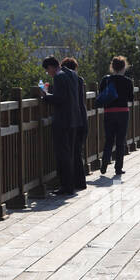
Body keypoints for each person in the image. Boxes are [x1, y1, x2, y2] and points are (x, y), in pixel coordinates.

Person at [41, 56, 81, 195]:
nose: (48, 73)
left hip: (62, 120)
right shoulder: (72, 74)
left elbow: (60, 99)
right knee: (70, 153)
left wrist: (45, 95)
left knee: (62, 154)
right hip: (74, 119)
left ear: (51, 67)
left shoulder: (59, 77)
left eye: (47, 71)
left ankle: (66, 186)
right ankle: (72, 184)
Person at [98, 55, 134, 177]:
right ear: (124, 67)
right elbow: (131, 98)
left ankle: (104, 163)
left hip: (109, 112)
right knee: (120, 141)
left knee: (109, 139)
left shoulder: (106, 80)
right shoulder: (128, 81)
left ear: (112, 67)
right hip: (123, 112)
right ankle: (118, 168)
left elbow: (101, 94)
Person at [61, 56, 88, 190]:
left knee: (72, 152)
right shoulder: (80, 80)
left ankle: (71, 182)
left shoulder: (67, 80)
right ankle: (80, 182)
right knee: (78, 152)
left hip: (73, 119)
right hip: (83, 118)